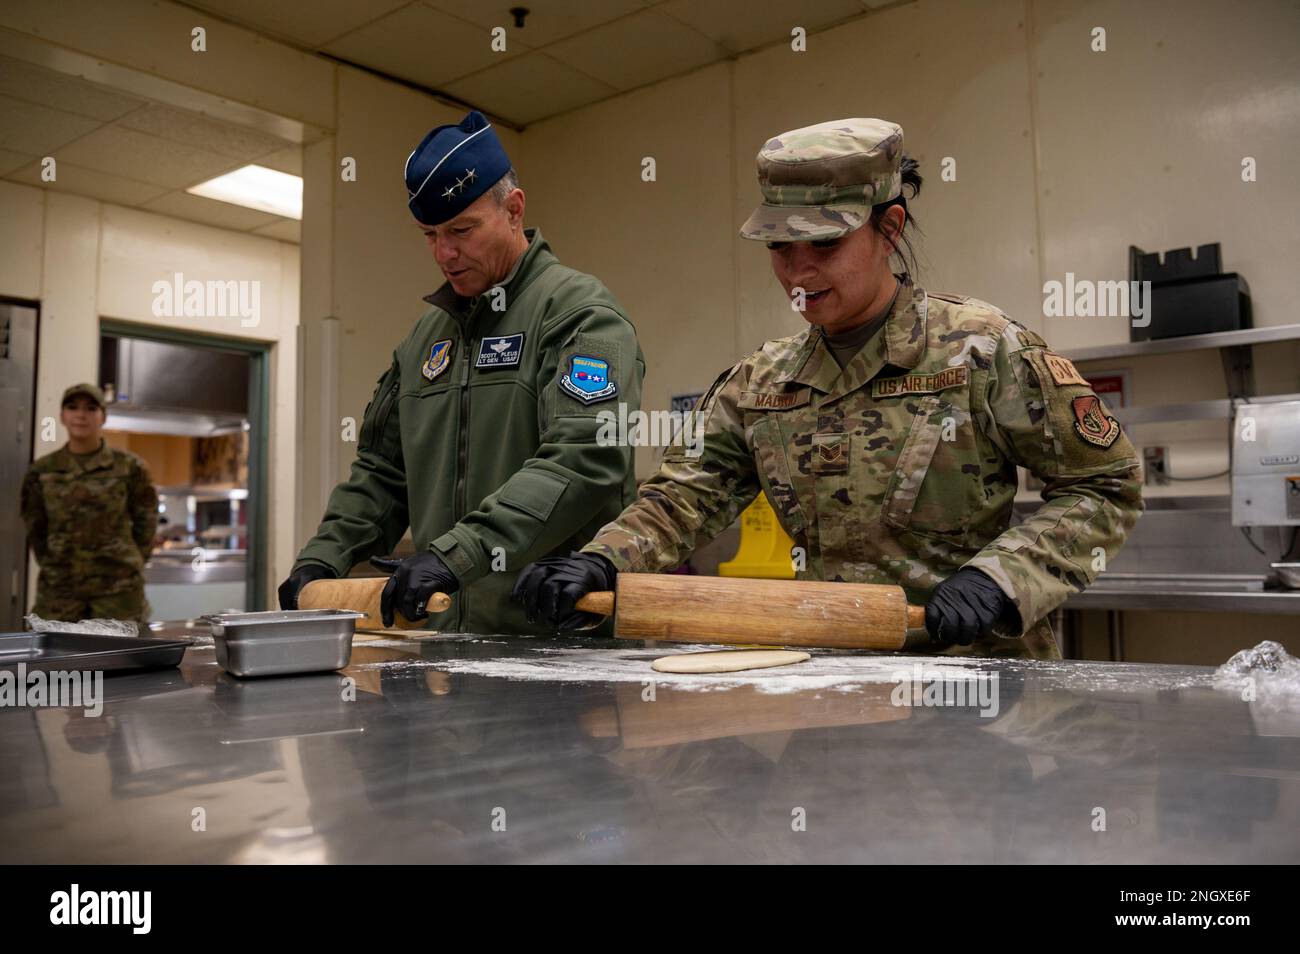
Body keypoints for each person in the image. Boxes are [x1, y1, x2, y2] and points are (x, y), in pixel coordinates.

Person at [514, 118, 1143, 659]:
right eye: (780, 247)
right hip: (837, 683)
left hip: (979, 692)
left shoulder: (982, 351)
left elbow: (1106, 484)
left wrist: (1002, 580)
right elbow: (684, 497)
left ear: (890, 227)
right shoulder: (762, 383)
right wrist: (601, 562)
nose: (798, 270)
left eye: (824, 242)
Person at [280, 110, 644, 635]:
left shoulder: (579, 314)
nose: (445, 253)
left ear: (514, 210)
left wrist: (458, 555)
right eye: (429, 234)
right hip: (449, 642)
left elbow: (584, 459)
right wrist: (323, 559)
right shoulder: (425, 340)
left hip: (559, 640)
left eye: (462, 229)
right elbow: (384, 474)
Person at [21, 383, 158, 623]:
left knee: (124, 657)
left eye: (91, 408)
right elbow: (36, 527)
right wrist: (58, 563)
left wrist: (128, 562)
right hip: (59, 589)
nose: (81, 415)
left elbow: (146, 523)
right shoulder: (43, 471)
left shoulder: (130, 468)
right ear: (62, 417)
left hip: (118, 589)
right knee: (53, 657)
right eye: (72, 407)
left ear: (103, 417)